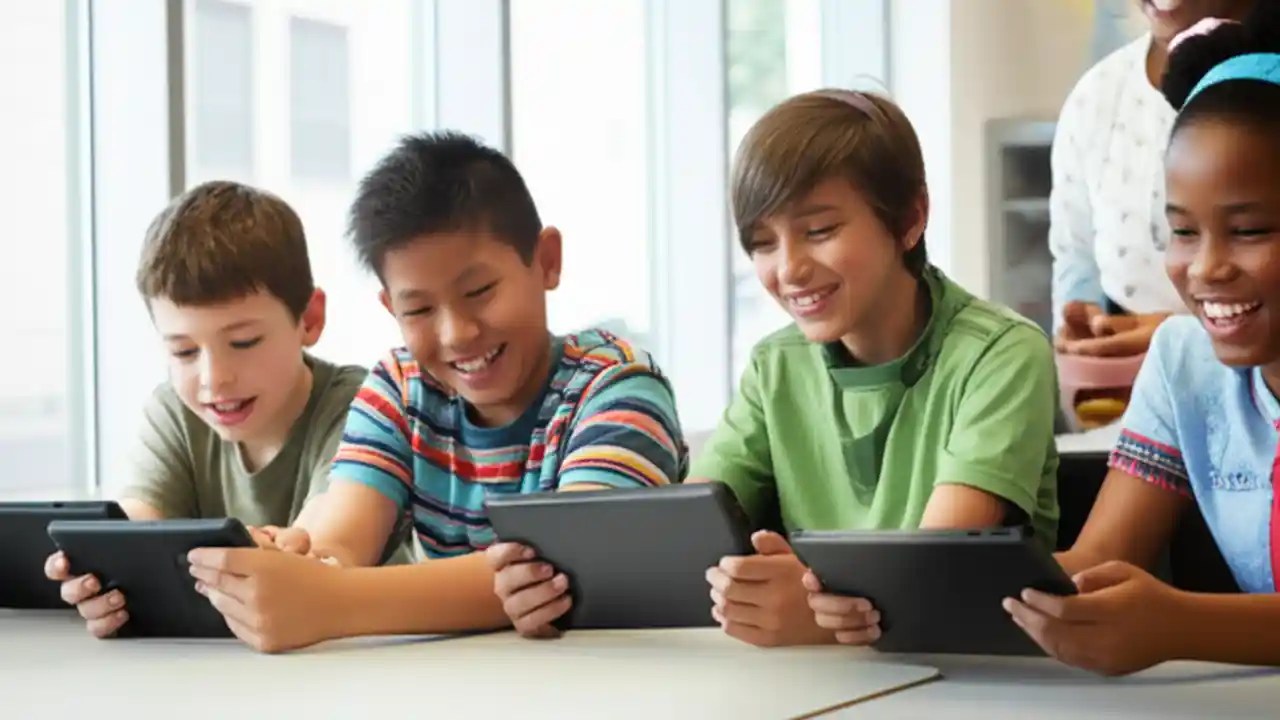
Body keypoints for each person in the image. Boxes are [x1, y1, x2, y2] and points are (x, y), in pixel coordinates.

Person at [185, 132, 688, 652]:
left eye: (479, 292)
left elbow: (573, 563)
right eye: (420, 310)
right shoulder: (401, 390)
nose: (457, 334)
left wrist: (334, 600)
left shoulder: (617, 388)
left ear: (546, 261)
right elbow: (340, 539)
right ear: (391, 309)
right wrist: (298, 561)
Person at [689, 89, 1061, 648]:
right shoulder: (775, 367)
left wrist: (813, 610)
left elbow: (932, 571)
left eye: (819, 232)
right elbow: (690, 537)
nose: (788, 269)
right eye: (762, 243)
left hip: (979, 677)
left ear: (910, 218)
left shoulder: (1002, 354)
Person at [1001, 13, 1280, 675]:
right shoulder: (1185, 362)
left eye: (1250, 230)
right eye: (1183, 232)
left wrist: (1182, 624)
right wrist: (874, 598)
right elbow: (1096, 562)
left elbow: (1172, 623)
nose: (1206, 268)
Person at [45, 181, 366, 638]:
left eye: (243, 343)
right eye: (183, 352)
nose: (215, 379)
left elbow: (317, 549)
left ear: (309, 320)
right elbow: (135, 525)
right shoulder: (175, 411)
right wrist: (100, 580)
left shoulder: (360, 407)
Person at [1051, 0, 1257, 358]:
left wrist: (1177, 340)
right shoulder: (1097, 97)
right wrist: (1083, 328)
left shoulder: (1264, 89)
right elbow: (1076, 256)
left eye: (1247, 229)